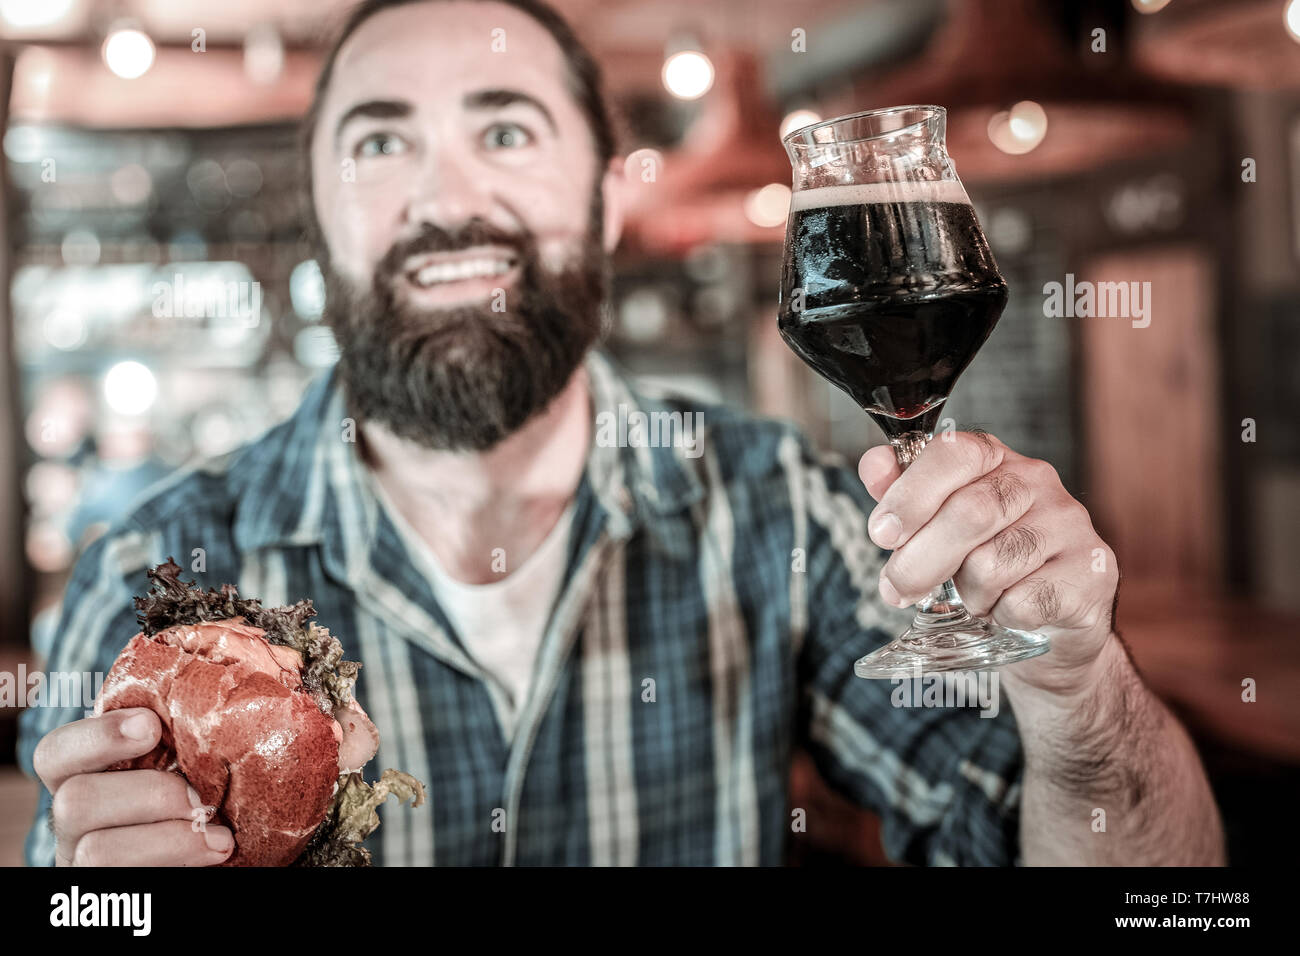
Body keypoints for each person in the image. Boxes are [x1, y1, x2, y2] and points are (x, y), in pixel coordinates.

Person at [19, 0, 1223, 867]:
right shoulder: (144, 583)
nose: (446, 198)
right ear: (323, 212)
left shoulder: (782, 512)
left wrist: (1077, 692)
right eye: (380, 141)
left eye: (505, 131)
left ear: (605, 196)